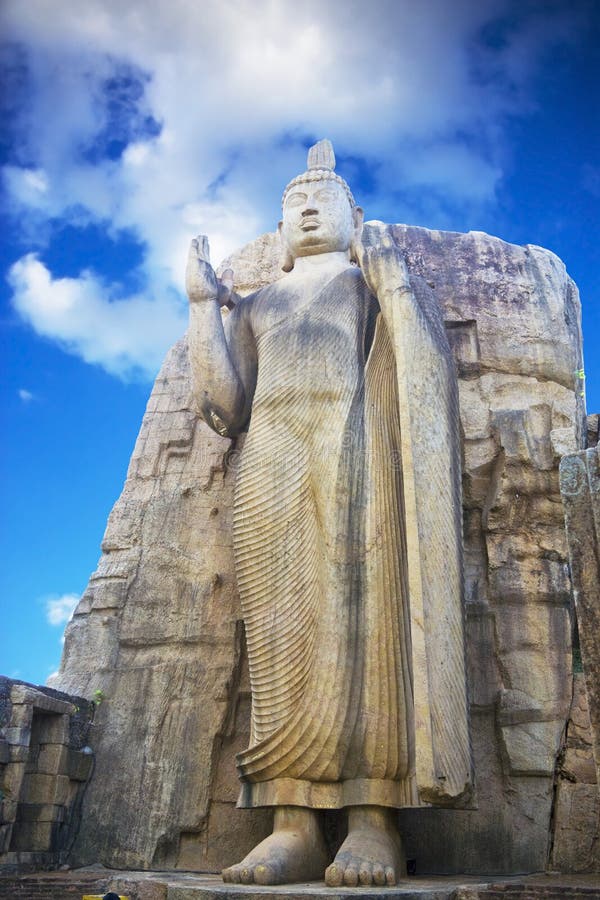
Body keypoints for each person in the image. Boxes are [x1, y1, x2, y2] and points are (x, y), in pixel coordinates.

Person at [186, 140, 470, 886]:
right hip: (272, 460)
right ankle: (292, 826)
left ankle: (373, 820)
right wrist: (200, 310)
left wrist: (395, 282)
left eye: (323, 199)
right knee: (279, 642)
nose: (307, 208)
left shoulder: (367, 280)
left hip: (359, 455)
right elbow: (225, 405)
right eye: (293, 202)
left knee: (369, 632)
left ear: (356, 215)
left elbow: (421, 368)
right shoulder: (259, 303)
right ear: (280, 230)